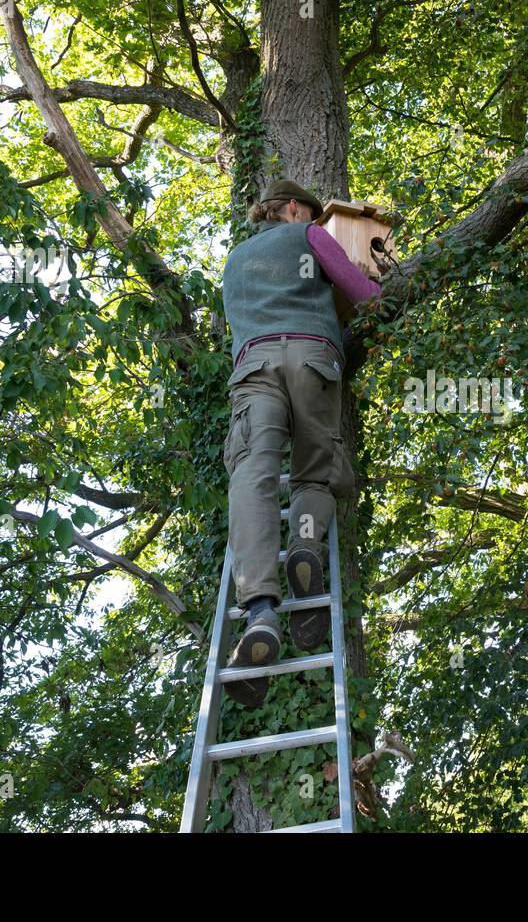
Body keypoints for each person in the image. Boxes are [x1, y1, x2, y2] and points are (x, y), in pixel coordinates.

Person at [219, 179, 383, 706]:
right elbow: (363, 293)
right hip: (313, 359)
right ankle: (306, 545)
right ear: (294, 207)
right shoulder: (311, 234)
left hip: (255, 367)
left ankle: (261, 610)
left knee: (253, 475)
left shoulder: (236, 261)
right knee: (315, 472)